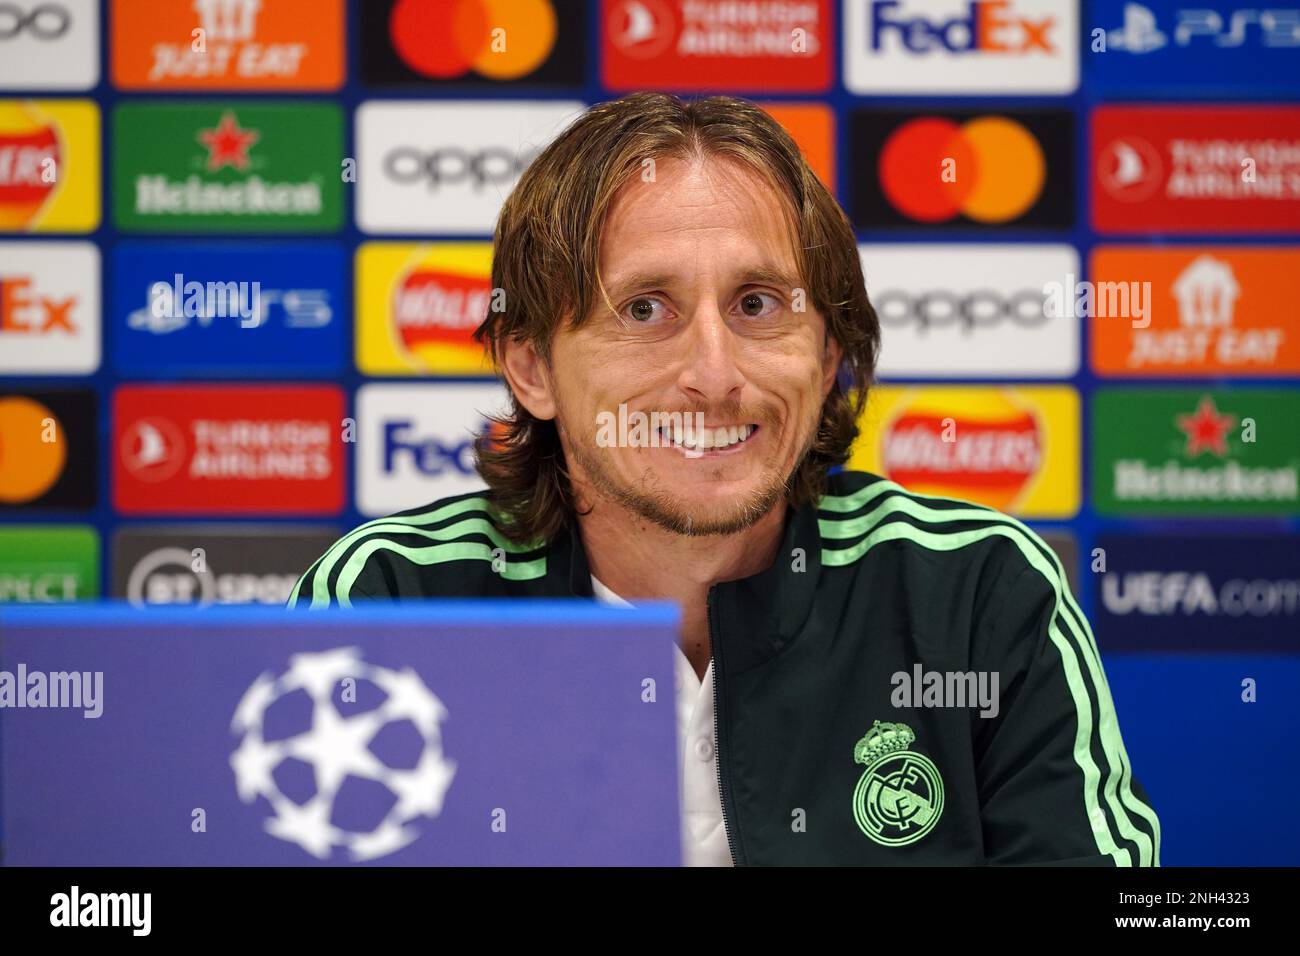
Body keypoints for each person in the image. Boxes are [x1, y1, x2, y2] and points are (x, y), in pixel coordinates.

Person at [291, 92, 1160, 867]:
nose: (713, 373)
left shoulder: (975, 592)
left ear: (824, 359)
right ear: (532, 369)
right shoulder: (392, 604)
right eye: (644, 309)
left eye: (757, 304)